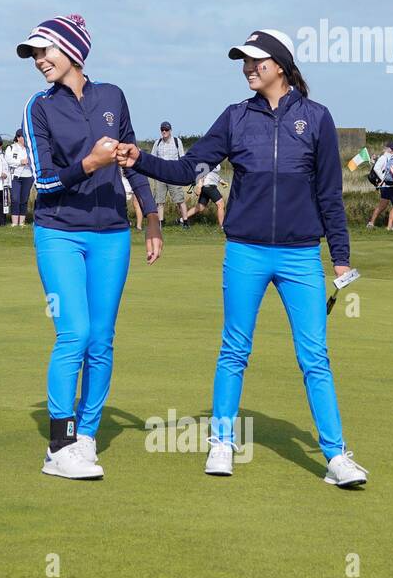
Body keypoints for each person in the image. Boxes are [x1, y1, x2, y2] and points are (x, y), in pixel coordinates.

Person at [117, 28, 368, 488]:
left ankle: (335, 456)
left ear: (281, 66)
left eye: (256, 61)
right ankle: (221, 443)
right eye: (244, 62)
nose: (248, 68)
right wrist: (140, 160)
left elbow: (330, 193)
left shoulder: (315, 118)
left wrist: (341, 258)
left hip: (300, 256)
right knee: (234, 350)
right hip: (246, 251)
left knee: (315, 357)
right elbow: (187, 167)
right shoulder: (235, 117)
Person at [18, 14, 162, 479]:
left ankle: (86, 437)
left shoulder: (112, 96)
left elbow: (132, 159)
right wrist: (89, 163)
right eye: (35, 54)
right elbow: (42, 180)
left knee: (101, 341)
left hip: (112, 234)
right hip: (58, 231)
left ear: (72, 49)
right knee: (73, 334)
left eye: (45, 50)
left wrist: (152, 216)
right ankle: (58, 447)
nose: (39, 60)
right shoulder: (38, 107)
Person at [151, 121, 190, 226]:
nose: (164, 131)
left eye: (166, 130)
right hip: (160, 175)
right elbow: (152, 158)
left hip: (174, 174)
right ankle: (160, 223)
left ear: (170, 130)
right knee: (159, 201)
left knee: (179, 199)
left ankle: (185, 222)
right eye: (162, 129)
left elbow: (182, 158)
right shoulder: (157, 143)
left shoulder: (177, 141)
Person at [366, 142, 393, 228]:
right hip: (385, 186)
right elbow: (377, 168)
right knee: (383, 205)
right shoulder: (383, 157)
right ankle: (371, 223)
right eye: (392, 149)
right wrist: (383, 179)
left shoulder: (389, 157)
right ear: (387, 148)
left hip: (390, 185)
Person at [5, 128, 34, 226]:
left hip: (28, 176)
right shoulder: (11, 148)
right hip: (15, 177)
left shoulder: (30, 148)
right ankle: (14, 222)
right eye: (23, 136)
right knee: (15, 199)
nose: (25, 138)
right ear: (18, 137)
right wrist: (20, 162)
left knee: (24, 199)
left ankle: (22, 223)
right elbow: (8, 160)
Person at [186, 162, 227, 228]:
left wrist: (222, 181)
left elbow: (214, 174)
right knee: (220, 204)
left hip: (209, 186)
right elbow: (202, 173)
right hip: (208, 186)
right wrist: (199, 186)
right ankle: (222, 226)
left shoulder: (217, 160)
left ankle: (182, 219)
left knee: (200, 207)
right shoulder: (208, 160)